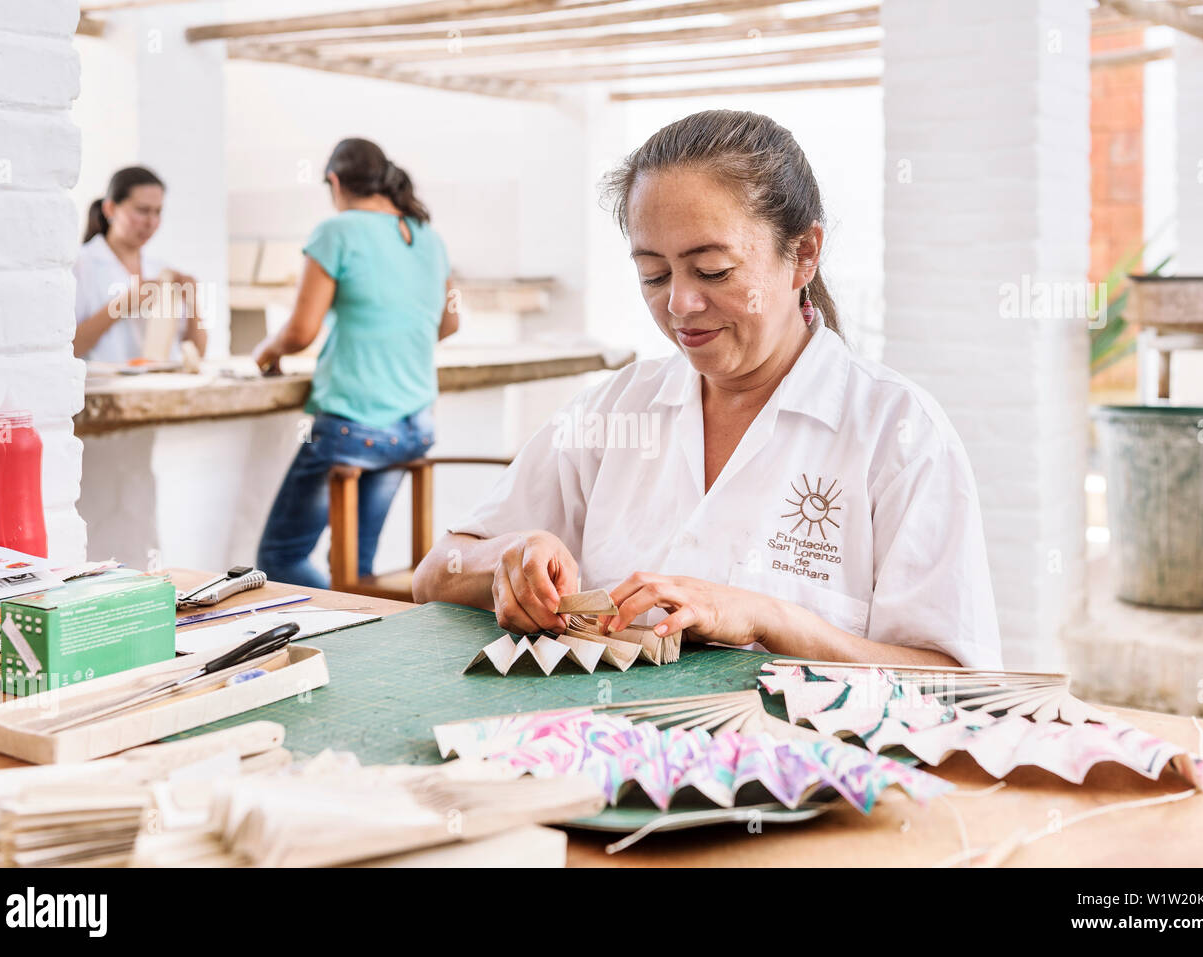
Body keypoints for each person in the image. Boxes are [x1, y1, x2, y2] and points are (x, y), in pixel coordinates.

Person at [413, 110, 1001, 668]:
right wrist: (510, 559)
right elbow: (436, 572)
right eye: (654, 274)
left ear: (804, 254)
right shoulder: (618, 409)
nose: (679, 305)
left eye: (713, 271)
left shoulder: (895, 431)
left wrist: (769, 619)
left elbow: (955, 680)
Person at [254, 138, 457, 588]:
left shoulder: (337, 231)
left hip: (352, 429)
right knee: (355, 566)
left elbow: (300, 332)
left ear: (334, 181)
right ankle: (357, 612)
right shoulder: (428, 236)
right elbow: (449, 323)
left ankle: (344, 620)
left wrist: (266, 350)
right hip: (414, 429)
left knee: (279, 556)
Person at [73, 166, 207, 361]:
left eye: (158, 212)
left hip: (154, 387)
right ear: (110, 209)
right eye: (142, 210)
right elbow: (68, 348)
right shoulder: (80, 264)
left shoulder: (159, 269)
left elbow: (197, 353)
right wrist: (125, 303)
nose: (151, 222)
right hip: (101, 388)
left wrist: (192, 301)